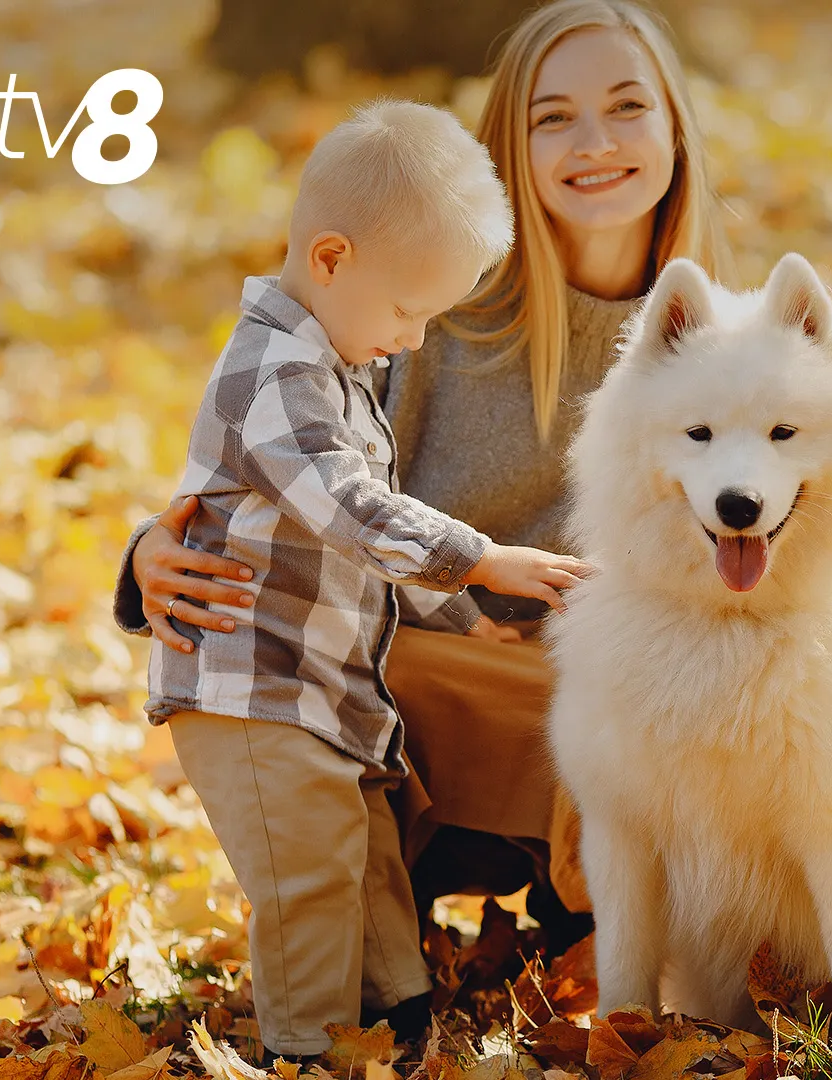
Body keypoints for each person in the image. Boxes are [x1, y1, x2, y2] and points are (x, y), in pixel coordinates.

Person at [110, 0, 731, 1025]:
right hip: (436, 687)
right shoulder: (427, 311)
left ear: (675, 128)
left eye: (628, 107)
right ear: (505, 152)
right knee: (335, 654)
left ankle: (630, 930)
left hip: (626, 697)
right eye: (553, 118)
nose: (597, 143)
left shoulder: (717, 345)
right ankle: (360, 982)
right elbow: (298, 466)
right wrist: (147, 558)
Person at [139, 98, 595, 1062]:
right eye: (407, 310)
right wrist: (478, 560)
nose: (416, 339)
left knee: (365, 854)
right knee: (307, 872)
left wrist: (453, 613)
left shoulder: (336, 360)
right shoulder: (274, 376)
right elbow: (351, 508)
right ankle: (305, 1045)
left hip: (324, 690)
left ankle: (394, 1010)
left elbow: (361, 534)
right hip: (254, 687)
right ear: (332, 260)